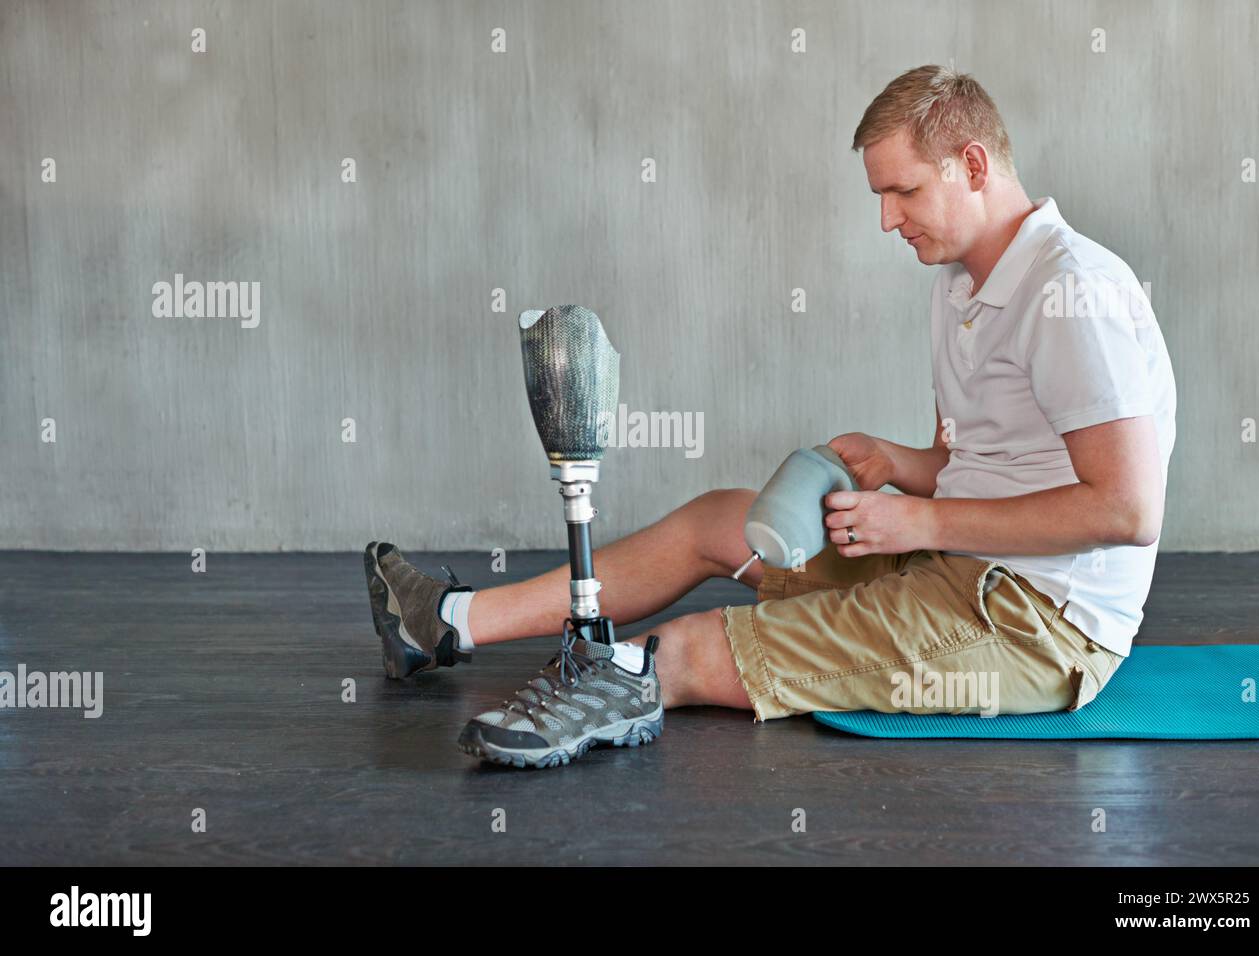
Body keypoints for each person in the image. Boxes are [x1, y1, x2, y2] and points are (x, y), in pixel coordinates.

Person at [364, 64, 1176, 768]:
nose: (886, 219)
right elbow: (974, 460)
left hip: (1036, 622)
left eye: (903, 191)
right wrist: (898, 466)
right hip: (959, 560)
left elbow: (1126, 510)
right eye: (879, 194)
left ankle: (598, 691)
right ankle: (444, 622)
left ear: (972, 164)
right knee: (719, 520)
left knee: (685, 650)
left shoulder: (1073, 294)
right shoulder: (959, 284)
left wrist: (917, 522)